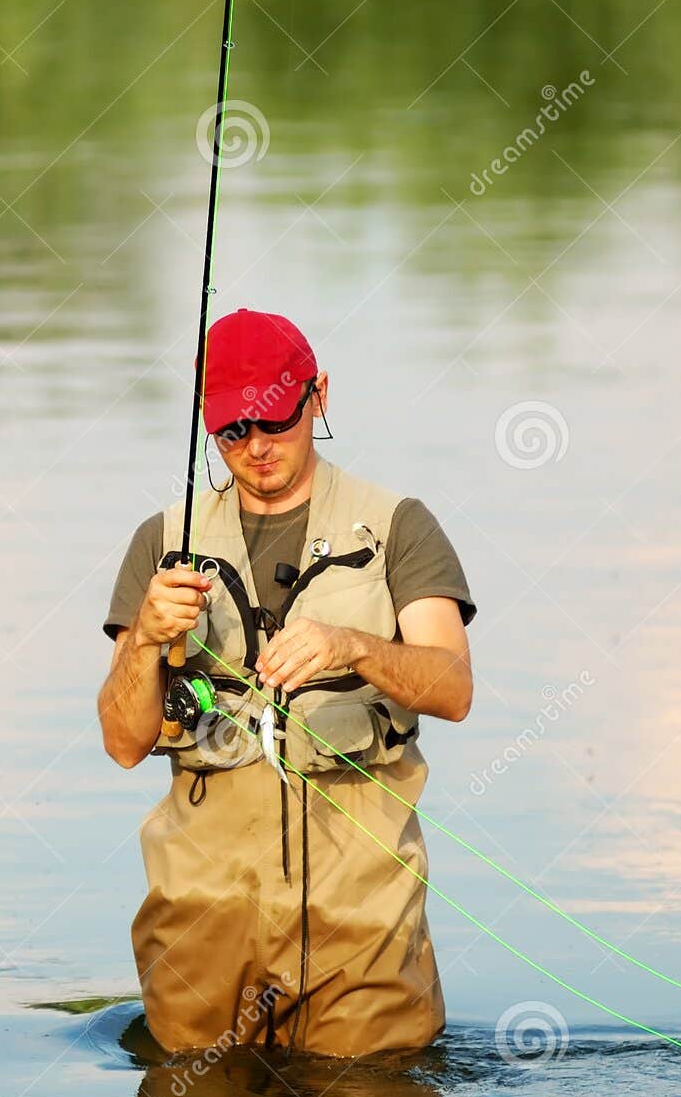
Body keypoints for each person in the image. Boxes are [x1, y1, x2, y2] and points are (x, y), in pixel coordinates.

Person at [96, 308, 476, 1059]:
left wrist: (355, 646)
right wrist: (143, 636)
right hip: (200, 931)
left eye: (275, 417)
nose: (257, 446)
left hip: (362, 933)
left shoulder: (399, 527)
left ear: (319, 396)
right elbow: (121, 742)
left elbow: (454, 686)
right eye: (233, 429)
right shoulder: (159, 541)